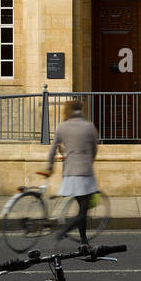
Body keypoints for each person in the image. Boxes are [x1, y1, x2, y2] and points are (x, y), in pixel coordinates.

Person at [38, 99, 100, 247]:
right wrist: (89, 161)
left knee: (80, 208)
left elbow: (53, 149)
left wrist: (50, 167)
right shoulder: (89, 127)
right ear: (81, 109)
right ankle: (66, 230)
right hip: (84, 173)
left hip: (69, 172)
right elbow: (94, 149)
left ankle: (83, 241)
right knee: (83, 210)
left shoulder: (62, 127)